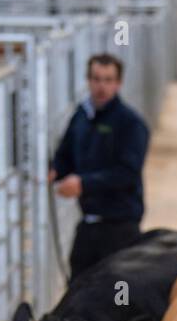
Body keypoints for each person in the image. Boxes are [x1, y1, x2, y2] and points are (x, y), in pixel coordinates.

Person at [49, 53, 150, 280]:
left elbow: (127, 173)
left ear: (118, 83)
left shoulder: (131, 123)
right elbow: (65, 154)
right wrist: (55, 170)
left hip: (120, 226)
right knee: (78, 287)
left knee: (118, 295)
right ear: (88, 80)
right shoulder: (81, 116)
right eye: (96, 79)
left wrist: (83, 184)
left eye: (107, 79)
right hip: (88, 223)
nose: (101, 86)